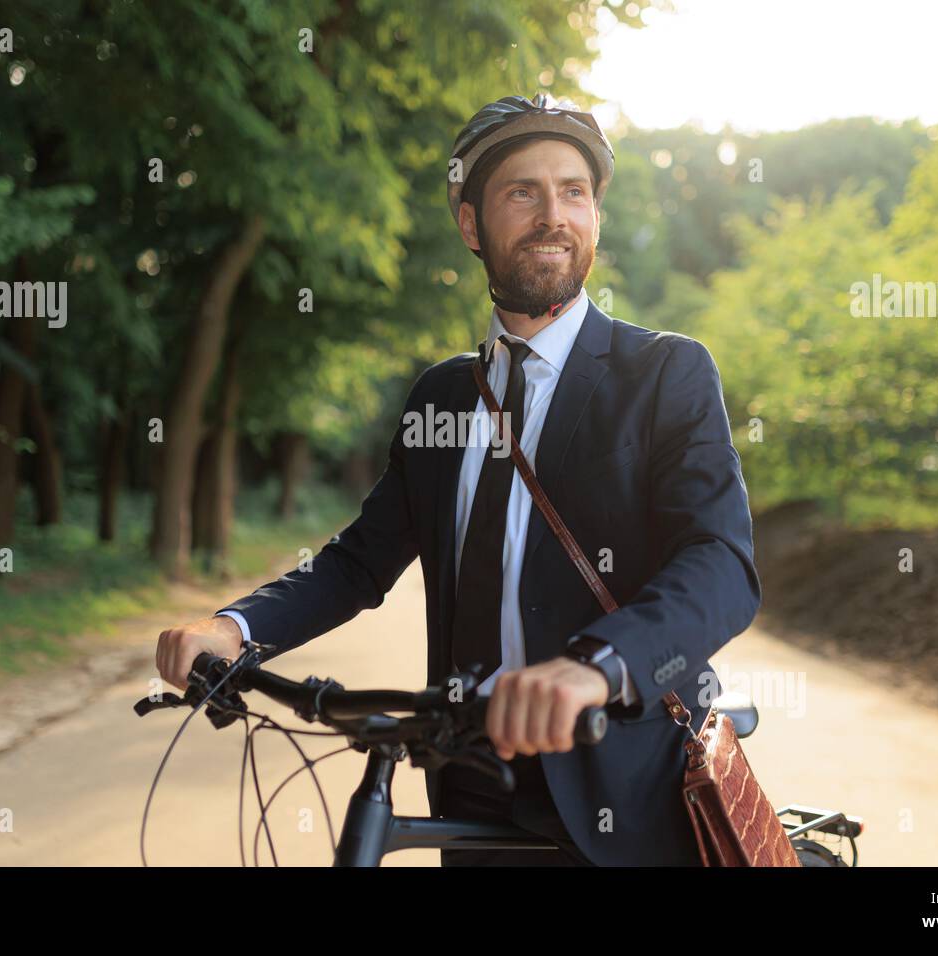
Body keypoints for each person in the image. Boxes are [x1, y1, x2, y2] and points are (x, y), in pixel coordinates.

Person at [155, 93, 760, 866]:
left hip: (625, 791)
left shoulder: (665, 374)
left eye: (574, 192)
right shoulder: (442, 396)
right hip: (471, 785)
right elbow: (356, 562)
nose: (553, 215)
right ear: (472, 224)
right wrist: (233, 629)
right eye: (522, 192)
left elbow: (721, 568)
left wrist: (595, 668)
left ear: (596, 218)